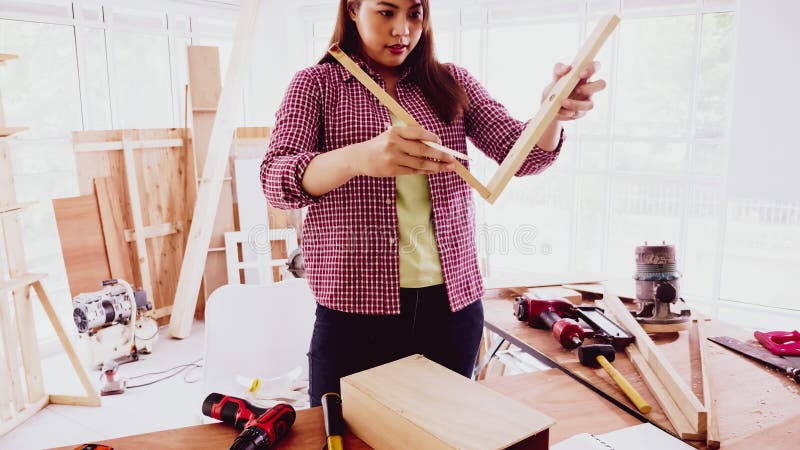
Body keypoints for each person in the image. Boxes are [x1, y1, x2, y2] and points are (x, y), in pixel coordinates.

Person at [261, 0, 605, 407]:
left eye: (414, 14)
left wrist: (553, 112)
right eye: (386, 12)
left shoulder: (450, 81)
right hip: (354, 307)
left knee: (448, 429)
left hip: (452, 307)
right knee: (346, 434)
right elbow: (275, 179)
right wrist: (358, 158)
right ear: (353, 9)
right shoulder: (316, 84)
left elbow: (523, 154)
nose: (403, 30)